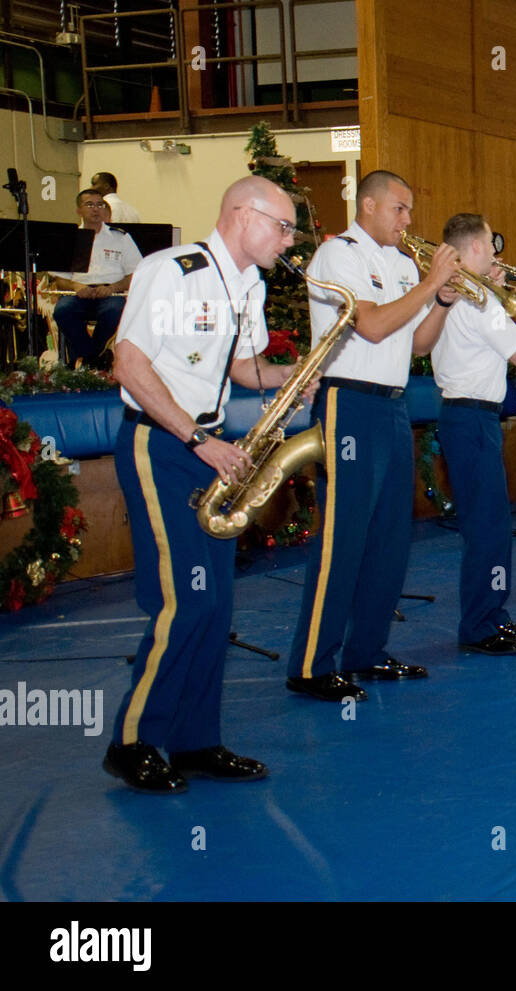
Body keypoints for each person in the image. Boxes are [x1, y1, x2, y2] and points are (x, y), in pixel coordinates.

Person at [104, 175, 308, 793]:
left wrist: (290, 375)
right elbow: (129, 363)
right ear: (243, 216)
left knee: (216, 605)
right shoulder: (172, 271)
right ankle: (133, 741)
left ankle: (195, 740)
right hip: (164, 445)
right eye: (283, 226)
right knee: (184, 601)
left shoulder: (248, 284)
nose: (290, 240)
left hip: (209, 451)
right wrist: (198, 440)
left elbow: (240, 366)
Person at [285, 170, 461, 702]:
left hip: (391, 403)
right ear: (368, 205)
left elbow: (416, 344)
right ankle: (313, 664)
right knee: (344, 536)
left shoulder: (403, 264)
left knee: (390, 535)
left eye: (409, 211)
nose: (408, 221)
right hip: (349, 400)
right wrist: (431, 284)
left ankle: (367, 650)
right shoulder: (340, 255)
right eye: (399, 209)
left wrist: (444, 301)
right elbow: (373, 326)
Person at [431, 212, 516, 654]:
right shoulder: (476, 300)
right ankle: (479, 625)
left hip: (471, 418)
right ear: (475, 247)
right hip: (471, 418)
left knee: (492, 525)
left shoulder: (468, 293)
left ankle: (495, 614)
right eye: (490, 244)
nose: (497, 253)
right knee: (487, 527)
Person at [47, 188, 142, 368]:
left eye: (99, 204)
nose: (95, 209)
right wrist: (76, 286)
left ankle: (86, 359)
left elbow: (135, 273)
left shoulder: (120, 237)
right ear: (78, 210)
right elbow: (60, 279)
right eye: (89, 204)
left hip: (110, 293)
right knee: (63, 310)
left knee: (114, 311)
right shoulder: (71, 238)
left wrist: (113, 288)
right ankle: (95, 359)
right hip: (78, 293)